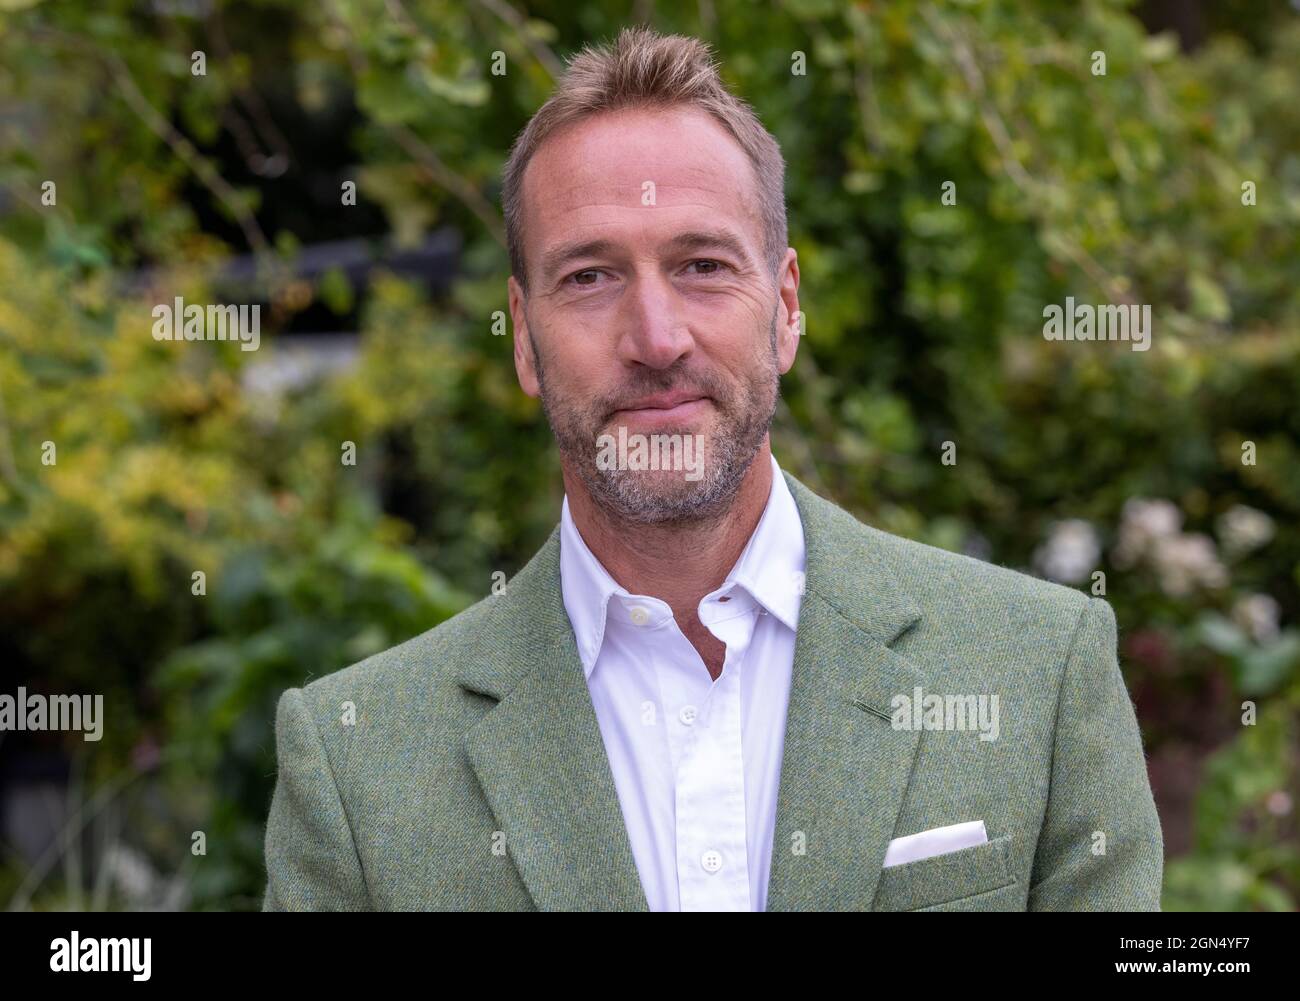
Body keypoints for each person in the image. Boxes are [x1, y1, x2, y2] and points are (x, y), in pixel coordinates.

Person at [263, 25, 1163, 911]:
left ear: (786, 308)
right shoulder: (356, 766)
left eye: (702, 265)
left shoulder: (1038, 671)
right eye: (589, 277)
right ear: (524, 337)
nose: (657, 339)